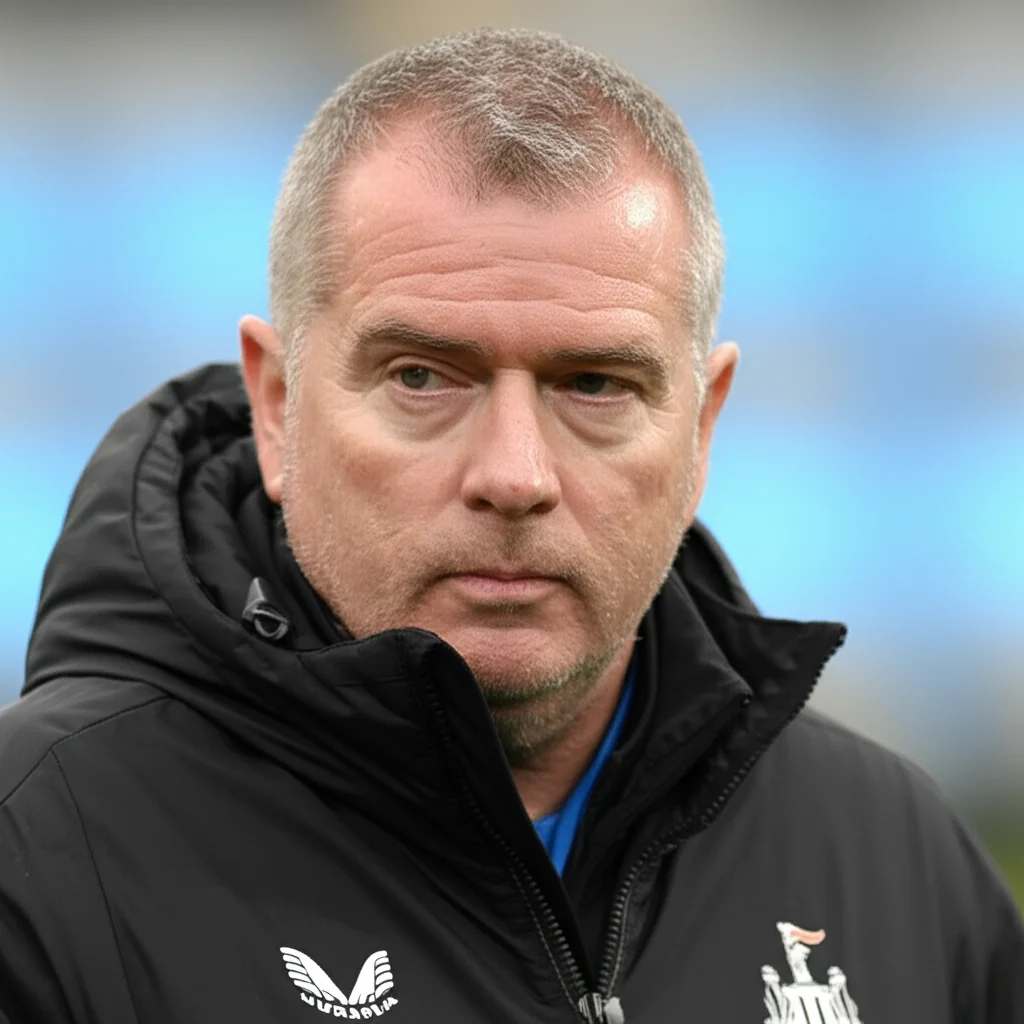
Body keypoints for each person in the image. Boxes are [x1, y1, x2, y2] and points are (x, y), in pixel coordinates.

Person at [0, 27, 1019, 1024]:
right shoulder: (40, 854)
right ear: (276, 408)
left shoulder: (897, 862)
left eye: (595, 384)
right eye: (421, 376)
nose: (514, 475)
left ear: (701, 428)